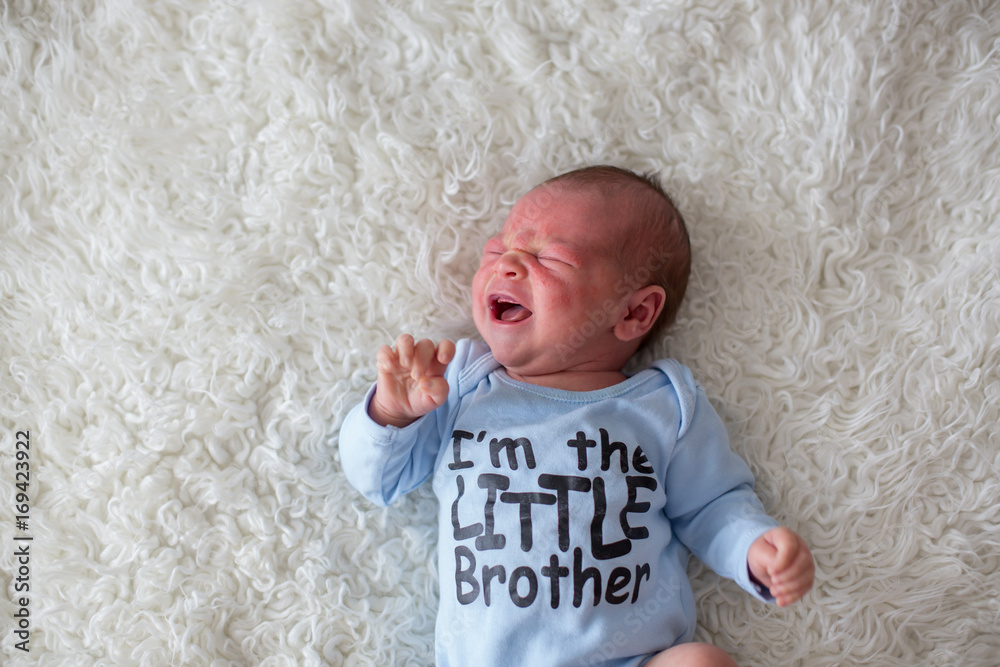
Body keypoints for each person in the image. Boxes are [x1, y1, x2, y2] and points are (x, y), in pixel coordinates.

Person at [339, 166, 814, 667]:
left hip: (629, 659)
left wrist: (755, 548)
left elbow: (712, 506)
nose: (508, 266)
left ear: (633, 313)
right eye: (498, 251)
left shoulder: (662, 406)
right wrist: (391, 413)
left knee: (701, 663)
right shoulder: (460, 383)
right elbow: (377, 480)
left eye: (550, 258)